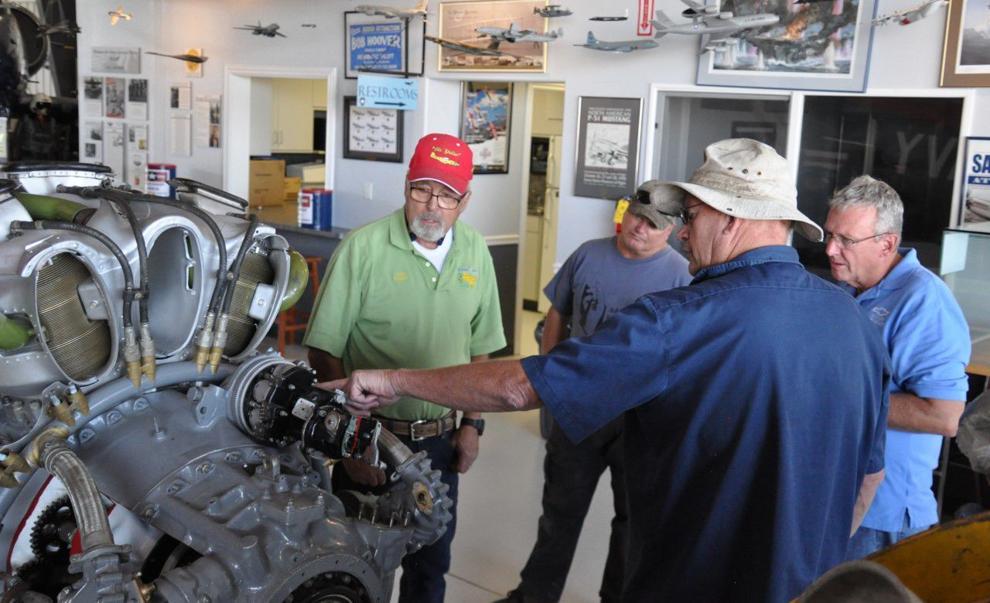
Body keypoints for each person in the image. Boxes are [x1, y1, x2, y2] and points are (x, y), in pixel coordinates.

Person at [329, 138, 891, 602]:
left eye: (692, 217)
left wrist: (395, 380)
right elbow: (868, 476)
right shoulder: (858, 326)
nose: (684, 233)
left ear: (730, 217)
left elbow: (525, 382)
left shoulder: (681, 320)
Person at [303, 132, 506, 603]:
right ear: (406, 186)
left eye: (448, 195)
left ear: (465, 199)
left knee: (430, 565)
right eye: (422, 189)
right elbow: (322, 351)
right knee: (354, 568)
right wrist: (350, 440)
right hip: (370, 440)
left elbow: (482, 351)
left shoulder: (475, 251)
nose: (433, 205)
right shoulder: (364, 248)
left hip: (439, 442)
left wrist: (473, 425)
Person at [498, 181, 691, 603]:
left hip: (639, 420)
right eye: (638, 217)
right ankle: (534, 596)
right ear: (626, 213)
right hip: (579, 410)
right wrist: (549, 374)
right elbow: (557, 313)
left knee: (631, 522)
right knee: (559, 513)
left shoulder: (680, 276)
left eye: (654, 225)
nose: (641, 228)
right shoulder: (588, 254)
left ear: (672, 230)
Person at [824, 175, 971, 559]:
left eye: (845, 240)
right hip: (837, 499)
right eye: (828, 235)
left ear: (887, 243)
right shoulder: (847, 289)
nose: (830, 250)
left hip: (883, 517)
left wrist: (835, 399)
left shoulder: (924, 301)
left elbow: (943, 416)